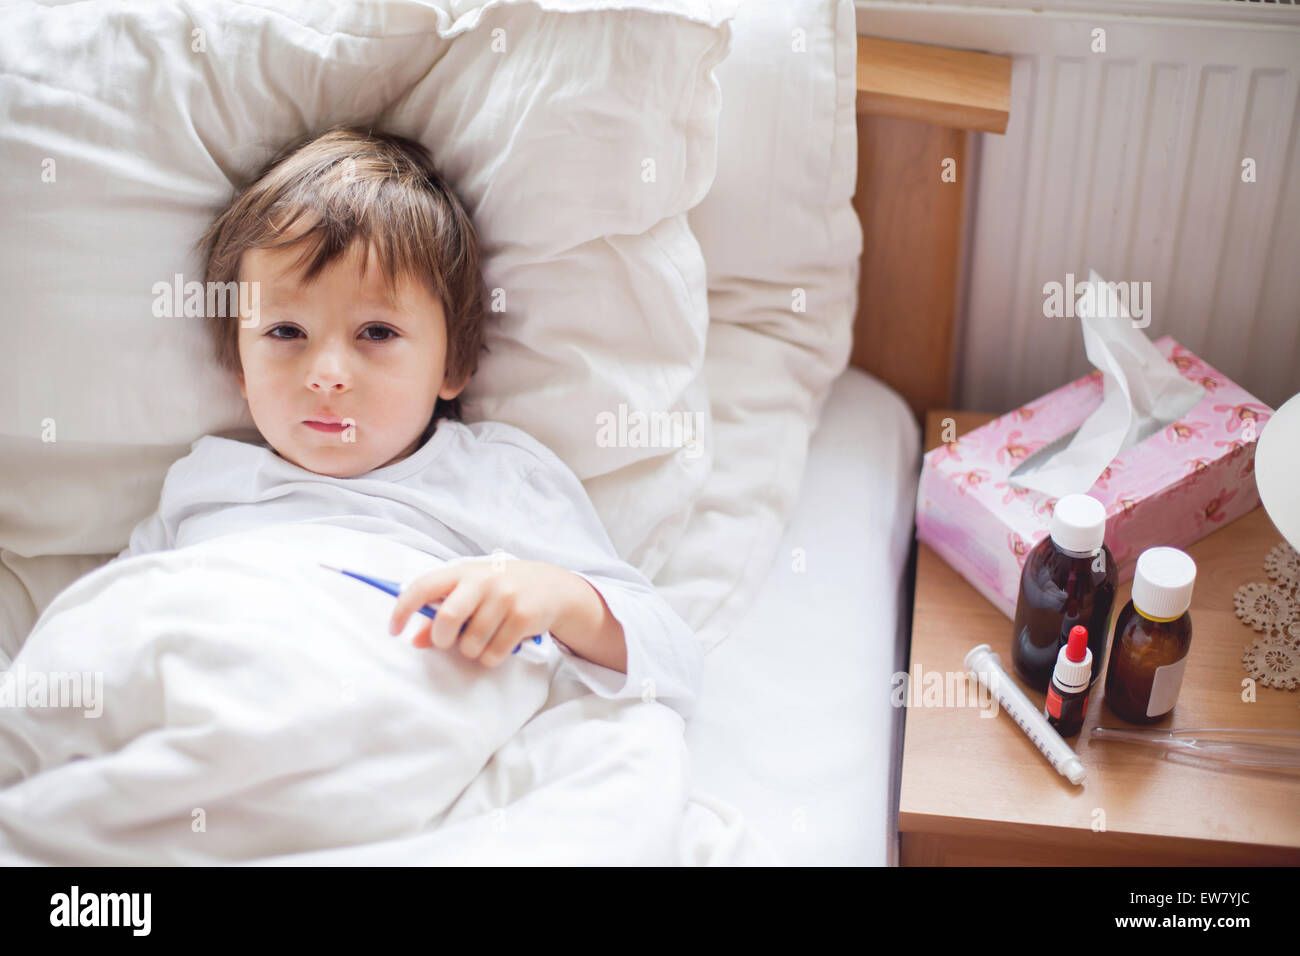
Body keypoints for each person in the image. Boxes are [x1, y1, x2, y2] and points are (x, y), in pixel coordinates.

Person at [116, 125, 702, 717]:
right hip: (215, 695)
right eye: (285, 332)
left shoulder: (496, 476)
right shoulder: (204, 483)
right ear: (240, 368)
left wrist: (556, 598)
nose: (326, 375)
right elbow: (107, 623)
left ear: (452, 365)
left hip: (394, 708)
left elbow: (674, 657)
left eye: (377, 333)